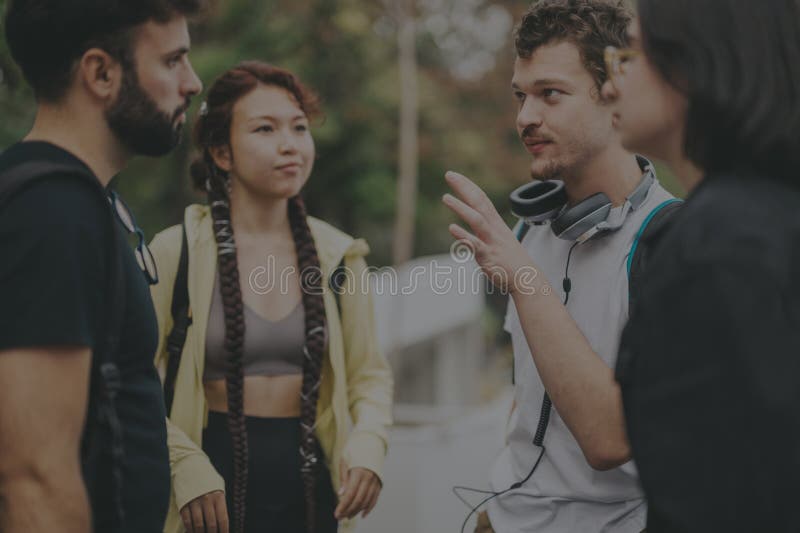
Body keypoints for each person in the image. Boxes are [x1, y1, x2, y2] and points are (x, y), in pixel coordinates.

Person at [442, 1, 675, 531]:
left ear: (615, 96)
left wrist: (524, 281)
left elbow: (610, 440)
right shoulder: (531, 229)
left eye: (551, 94)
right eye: (521, 96)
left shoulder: (668, 241)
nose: (525, 117)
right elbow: (528, 393)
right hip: (502, 517)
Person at [148, 61, 393, 533]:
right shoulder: (175, 250)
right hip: (204, 495)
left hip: (313, 490)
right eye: (265, 128)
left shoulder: (340, 257)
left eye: (299, 128)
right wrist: (181, 464)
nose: (290, 145)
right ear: (222, 151)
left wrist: (369, 444)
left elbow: (370, 376)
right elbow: (128, 377)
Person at [0, 1, 203, 532]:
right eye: (173, 61)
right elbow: (34, 474)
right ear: (101, 72)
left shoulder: (88, 203)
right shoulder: (50, 210)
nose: (193, 83)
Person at [601, 1, 800, 531]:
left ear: (695, 62)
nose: (609, 85)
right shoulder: (770, 216)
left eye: (629, 56)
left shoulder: (716, 247)